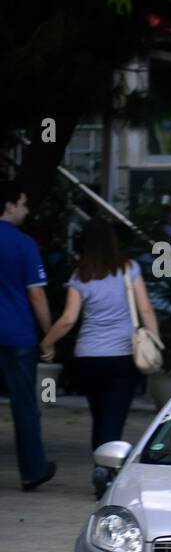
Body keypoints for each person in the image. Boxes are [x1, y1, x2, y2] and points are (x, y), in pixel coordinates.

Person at [40, 220, 159, 488]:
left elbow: (69, 319)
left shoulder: (80, 275)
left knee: (100, 416)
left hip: (89, 357)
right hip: (122, 356)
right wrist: (155, 342)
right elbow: (146, 309)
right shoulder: (130, 269)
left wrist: (47, 343)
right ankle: (104, 473)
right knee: (113, 418)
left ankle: (101, 469)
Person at [0, 180, 57, 491]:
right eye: (23, 203)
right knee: (24, 406)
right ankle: (33, 470)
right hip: (17, 335)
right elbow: (36, 295)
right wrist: (49, 335)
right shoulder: (24, 244)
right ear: (9, 205)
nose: (26, 209)